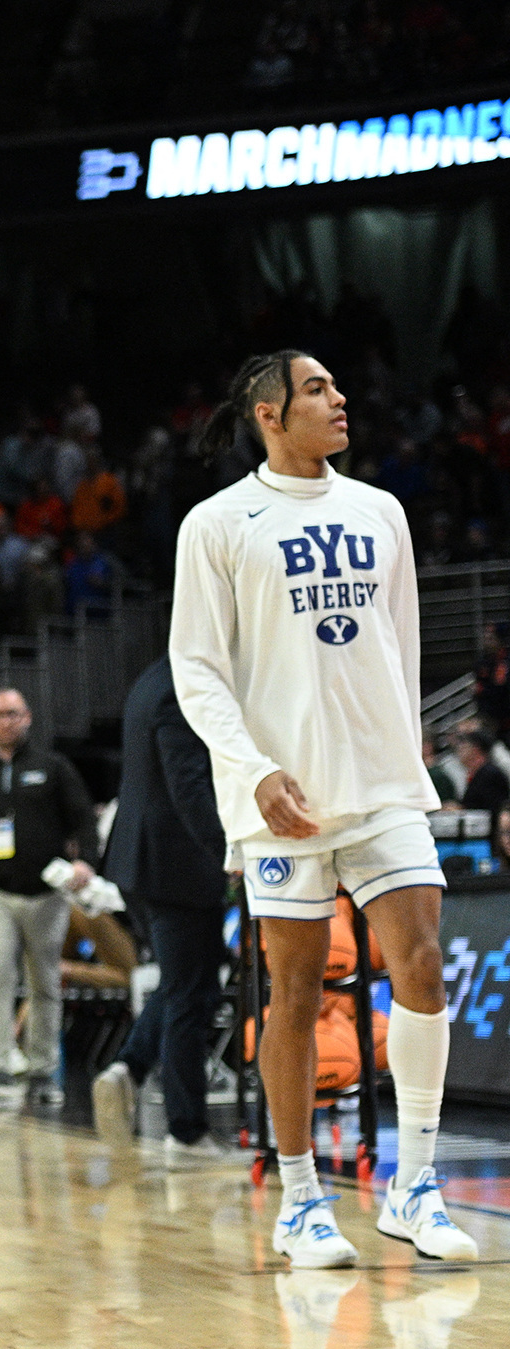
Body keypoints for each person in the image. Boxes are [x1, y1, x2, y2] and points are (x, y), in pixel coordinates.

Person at [171, 349, 477, 1266]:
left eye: (337, 386)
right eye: (317, 390)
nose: (340, 399)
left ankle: (414, 1186)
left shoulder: (381, 510)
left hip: (381, 785)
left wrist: (406, 755)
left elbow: (401, 648)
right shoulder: (218, 524)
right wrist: (253, 771)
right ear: (269, 414)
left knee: (421, 964)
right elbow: (197, 668)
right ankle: (301, 1199)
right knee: (296, 994)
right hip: (284, 798)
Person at [96, 657, 239, 1162]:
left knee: (188, 979)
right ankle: (186, 1131)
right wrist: (227, 852)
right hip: (175, 864)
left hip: (142, 862)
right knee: (190, 994)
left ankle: (129, 1066)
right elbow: (188, 785)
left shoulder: (152, 676)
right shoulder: (184, 688)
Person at [0, 689, 96, 1102]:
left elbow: (83, 817)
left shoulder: (53, 767)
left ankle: (43, 1070)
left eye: (12, 713)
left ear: (27, 717)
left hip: (47, 893)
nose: (5, 721)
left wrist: (86, 862)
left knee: (45, 980)